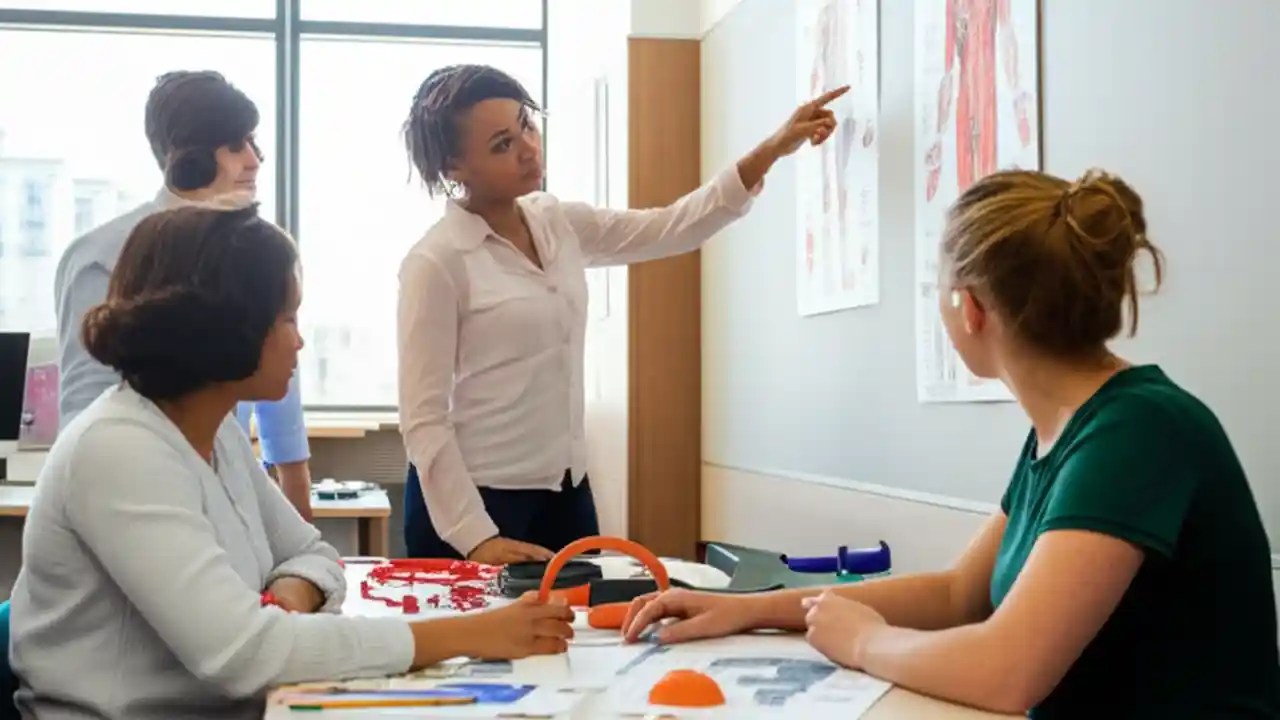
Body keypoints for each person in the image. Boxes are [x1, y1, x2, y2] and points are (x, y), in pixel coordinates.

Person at [622, 169, 1280, 717]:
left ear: (968, 310)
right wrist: (750, 609)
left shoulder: (1138, 433)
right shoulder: (1073, 429)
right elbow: (958, 593)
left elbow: (1007, 670)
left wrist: (865, 643)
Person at [10, 205, 574, 720]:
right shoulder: (118, 452)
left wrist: (286, 598)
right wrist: (472, 633)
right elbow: (245, 654)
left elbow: (314, 552)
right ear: (224, 329)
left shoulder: (216, 433)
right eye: (286, 319)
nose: (299, 343)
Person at [398, 64, 845, 564]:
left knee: (584, 639)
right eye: (502, 144)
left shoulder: (556, 222)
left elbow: (670, 227)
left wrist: (772, 149)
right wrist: (476, 537)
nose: (528, 147)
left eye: (526, 124)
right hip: (471, 505)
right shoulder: (436, 262)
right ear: (455, 167)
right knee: (478, 643)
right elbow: (423, 420)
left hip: (565, 490)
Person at [54, 70, 314, 519]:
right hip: (141, 492)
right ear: (185, 157)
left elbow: (278, 374)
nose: (254, 161)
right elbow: (85, 410)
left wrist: (296, 496)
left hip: (229, 479)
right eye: (235, 146)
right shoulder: (103, 255)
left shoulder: (261, 247)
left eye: (253, 143)